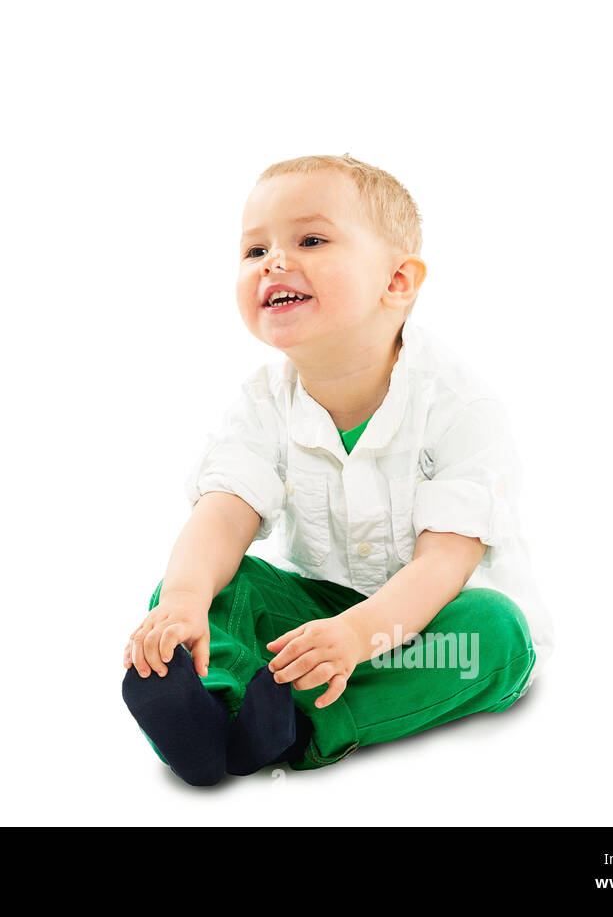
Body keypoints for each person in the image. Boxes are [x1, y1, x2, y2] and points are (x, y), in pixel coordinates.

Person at [121, 152, 555, 786]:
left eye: (311, 239)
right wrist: (186, 603)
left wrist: (360, 637)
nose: (273, 261)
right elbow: (222, 515)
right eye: (253, 250)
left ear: (397, 282)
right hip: (311, 623)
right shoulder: (262, 404)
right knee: (206, 582)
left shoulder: (457, 407)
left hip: (425, 626)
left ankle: (302, 725)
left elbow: (444, 562)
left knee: (495, 634)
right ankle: (207, 708)